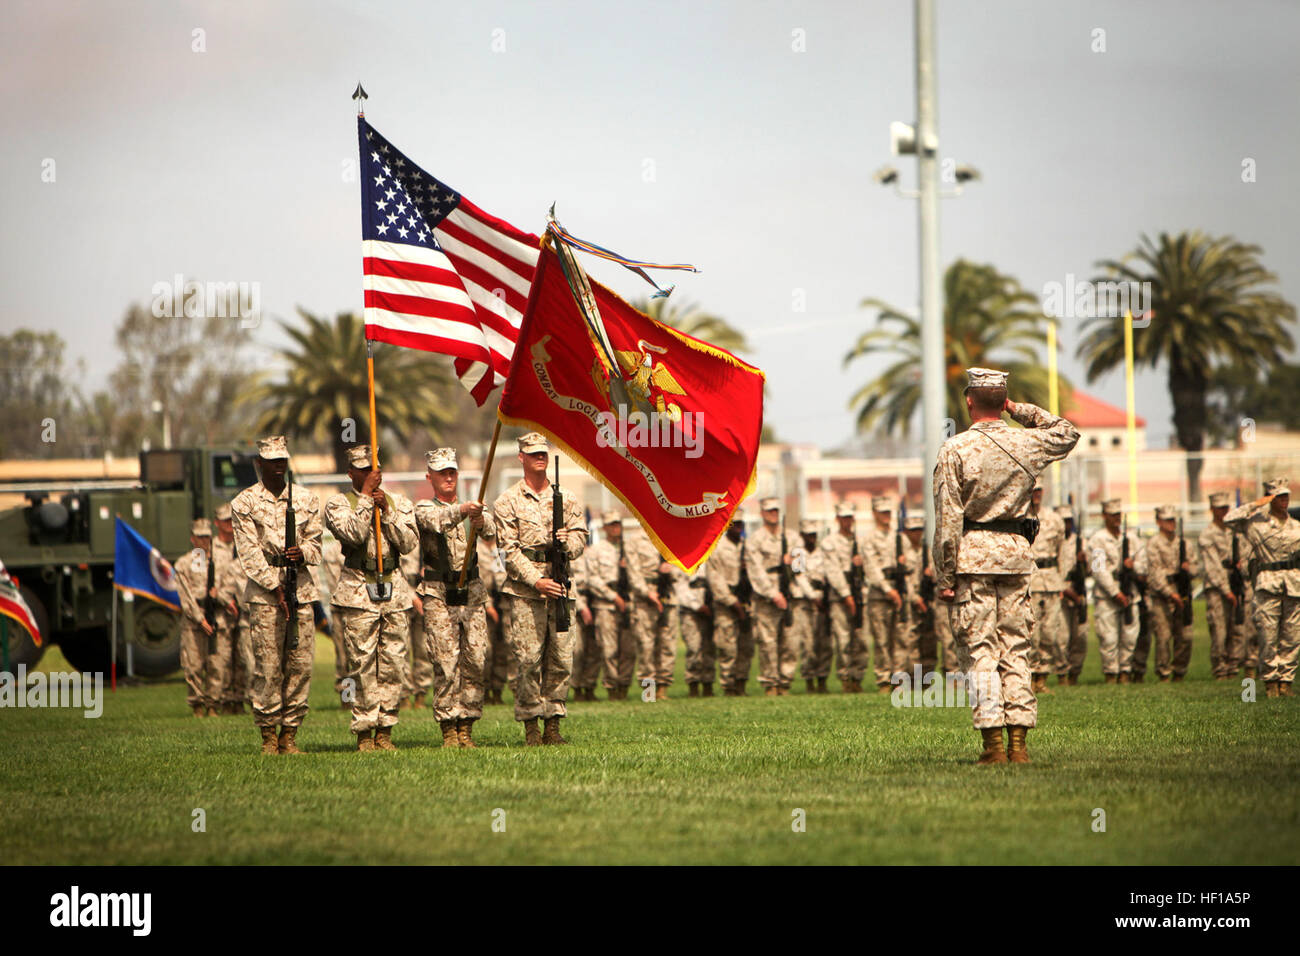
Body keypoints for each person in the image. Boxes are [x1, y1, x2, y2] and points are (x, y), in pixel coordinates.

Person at [933, 368, 1080, 764]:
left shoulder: (954, 450)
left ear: (968, 401)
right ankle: (1019, 746)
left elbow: (948, 519)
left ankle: (993, 747)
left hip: (972, 555)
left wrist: (945, 576)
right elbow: (1067, 432)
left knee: (980, 649)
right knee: (1016, 647)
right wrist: (1021, 411)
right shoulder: (1027, 442)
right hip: (1016, 554)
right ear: (1003, 402)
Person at [492, 432, 588, 744]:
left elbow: (581, 539)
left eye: (543, 452)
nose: (539, 457)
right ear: (521, 457)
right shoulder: (507, 502)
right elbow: (508, 551)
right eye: (533, 453)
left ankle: (554, 725)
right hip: (526, 592)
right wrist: (536, 580)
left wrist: (568, 543)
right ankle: (531, 725)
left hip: (560, 587)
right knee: (528, 660)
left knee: (560, 659)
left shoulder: (568, 498)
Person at [230, 436, 323, 755]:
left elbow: (317, 546)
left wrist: (303, 552)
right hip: (265, 595)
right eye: (272, 461)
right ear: (259, 464)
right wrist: (275, 587)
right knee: (268, 667)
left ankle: (291, 735)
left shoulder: (307, 499)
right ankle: (269, 736)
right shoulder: (244, 503)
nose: (279, 465)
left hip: (302, 590)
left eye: (283, 459)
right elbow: (249, 553)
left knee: (299, 666)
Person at [325, 445, 418, 752]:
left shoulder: (399, 503)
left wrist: (387, 513)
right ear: (352, 472)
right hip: (358, 591)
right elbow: (352, 534)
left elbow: (407, 543)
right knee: (362, 664)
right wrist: (365, 499)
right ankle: (365, 731)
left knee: (392, 664)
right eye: (363, 470)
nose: (370, 475)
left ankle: (386, 730)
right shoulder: (339, 504)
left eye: (373, 469)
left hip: (394, 591)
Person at [415, 447, 493, 747]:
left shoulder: (471, 508)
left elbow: (492, 531)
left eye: (452, 472)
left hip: (471, 594)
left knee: (474, 660)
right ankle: (449, 727)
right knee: (446, 662)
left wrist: (481, 521)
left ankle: (467, 726)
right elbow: (434, 521)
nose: (448, 477)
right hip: (438, 594)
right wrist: (463, 512)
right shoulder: (425, 507)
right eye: (442, 473)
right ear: (430, 477)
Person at [1225, 478, 1300, 698]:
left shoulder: (1296, 525)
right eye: (1278, 497)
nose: (1284, 500)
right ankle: (1270, 682)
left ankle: (1286, 682)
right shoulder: (1256, 524)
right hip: (1268, 584)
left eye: (1286, 495)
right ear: (1270, 499)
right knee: (1268, 636)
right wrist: (1256, 504)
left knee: (1292, 636)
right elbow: (1229, 519)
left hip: (1294, 584)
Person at [174, 519, 240, 717]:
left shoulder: (221, 561)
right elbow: (185, 595)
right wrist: (199, 619)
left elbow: (230, 585)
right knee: (193, 664)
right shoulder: (185, 563)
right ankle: (197, 705)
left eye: (207, 537)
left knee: (217, 664)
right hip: (195, 619)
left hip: (217, 616)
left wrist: (219, 596)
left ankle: (213, 703)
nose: (204, 541)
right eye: (199, 537)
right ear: (192, 539)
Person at [744, 497, 800, 696]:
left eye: (776, 510)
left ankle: (785, 683)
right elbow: (756, 571)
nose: (773, 514)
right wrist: (773, 593)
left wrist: (791, 563)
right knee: (768, 644)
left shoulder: (792, 537)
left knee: (790, 643)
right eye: (769, 511)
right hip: (766, 598)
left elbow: (801, 566)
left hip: (790, 594)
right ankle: (770, 684)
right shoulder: (755, 540)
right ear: (762, 514)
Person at [1089, 499, 1143, 684]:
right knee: (1109, 637)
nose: (1116, 519)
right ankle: (1111, 673)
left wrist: (1133, 566)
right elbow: (1098, 569)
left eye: (1118, 515)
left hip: (1130, 592)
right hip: (1107, 595)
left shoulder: (1132, 539)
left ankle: (1126, 671)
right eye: (1112, 515)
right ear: (1105, 516)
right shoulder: (1098, 539)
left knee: (1129, 636)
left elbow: (1144, 566)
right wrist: (1114, 592)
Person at [584, 513, 635, 701]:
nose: (616, 528)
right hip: (606, 605)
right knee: (609, 649)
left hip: (628, 603)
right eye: (611, 525)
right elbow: (592, 579)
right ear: (604, 528)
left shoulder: (628, 549)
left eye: (618, 524)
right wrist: (613, 596)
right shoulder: (596, 550)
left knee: (629, 650)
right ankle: (612, 688)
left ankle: (625, 686)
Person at [819, 503, 869, 692]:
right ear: (838, 519)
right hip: (840, 597)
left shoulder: (861, 542)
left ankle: (858, 677)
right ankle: (845, 677)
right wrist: (846, 595)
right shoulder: (829, 542)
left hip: (860, 595)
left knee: (862, 639)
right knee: (843, 639)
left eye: (850, 517)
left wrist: (861, 564)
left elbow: (870, 568)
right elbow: (833, 571)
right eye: (843, 518)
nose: (847, 521)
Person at [1144, 504, 1195, 682]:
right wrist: (1169, 593)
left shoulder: (1185, 544)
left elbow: (1196, 567)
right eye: (1167, 520)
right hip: (1162, 596)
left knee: (1186, 636)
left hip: (1183, 592)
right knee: (1164, 637)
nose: (1171, 523)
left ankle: (1179, 671)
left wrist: (1189, 569)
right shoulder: (1153, 544)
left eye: (1173, 520)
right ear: (1158, 522)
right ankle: (1164, 673)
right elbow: (1155, 573)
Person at [1027, 482, 1068, 694]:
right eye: (1033, 491)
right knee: (1031, 633)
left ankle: (1042, 678)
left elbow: (1063, 552)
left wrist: (1062, 579)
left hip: (1051, 579)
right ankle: (1029, 678)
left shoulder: (1054, 520)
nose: (1036, 495)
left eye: (1039, 491)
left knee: (1050, 631)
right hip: (1030, 580)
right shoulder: (1020, 518)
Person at [1200, 492, 1246, 681]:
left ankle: (1233, 668)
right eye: (1219, 508)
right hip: (1217, 589)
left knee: (1237, 628)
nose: (1223, 511)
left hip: (1236, 583)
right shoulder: (1207, 534)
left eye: (1226, 508)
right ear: (1212, 509)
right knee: (1219, 630)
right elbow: (1212, 566)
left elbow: (1244, 553)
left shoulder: (1235, 532)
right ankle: (1220, 669)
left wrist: (1241, 565)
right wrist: (1226, 590)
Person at [706, 511, 753, 696]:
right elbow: (715, 579)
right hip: (726, 603)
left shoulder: (748, 547)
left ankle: (741, 684)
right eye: (736, 524)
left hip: (746, 601)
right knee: (727, 646)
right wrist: (733, 603)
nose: (739, 528)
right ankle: (728, 686)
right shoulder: (716, 548)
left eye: (742, 524)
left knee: (746, 647)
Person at [862, 496, 904, 693]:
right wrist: (889, 590)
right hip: (880, 595)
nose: (886, 516)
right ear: (875, 514)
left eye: (889, 512)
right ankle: (883, 680)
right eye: (882, 512)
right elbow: (872, 568)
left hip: (899, 590)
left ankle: (898, 678)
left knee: (899, 639)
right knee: (881, 639)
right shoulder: (869, 538)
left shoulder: (898, 536)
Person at [213, 502, 251, 714]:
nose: (229, 525)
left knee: (244, 659)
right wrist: (219, 598)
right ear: (217, 523)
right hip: (222, 611)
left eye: (232, 521)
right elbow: (200, 576)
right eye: (226, 521)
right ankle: (222, 700)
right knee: (223, 659)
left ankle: (239, 698)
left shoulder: (242, 545)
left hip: (244, 610)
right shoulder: (206, 548)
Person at [797, 518, 832, 694]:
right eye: (808, 535)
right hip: (806, 603)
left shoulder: (823, 552)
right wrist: (812, 596)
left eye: (814, 535)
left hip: (823, 600)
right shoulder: (797, 553)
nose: (811, 538)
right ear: (802, 535)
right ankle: (809, 680)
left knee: (824, 643)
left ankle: (823, 679)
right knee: (808, 644)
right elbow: (799, 577)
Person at [1056, 503, 1087, 685]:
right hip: (1060, 592)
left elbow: (1097, 568)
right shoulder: (1053, 543)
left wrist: (1085, 561)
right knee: (1061, 637)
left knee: (1080, 636)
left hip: (1079, 592)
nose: (1066, 525)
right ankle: (1061, 674)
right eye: (1063, 521)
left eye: (1069, 521)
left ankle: (1075, 673)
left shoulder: (1082, 542)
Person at [400, 544, 433, 710]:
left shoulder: (426, 534)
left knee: (423, 649)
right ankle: (404, 696)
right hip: (402, 594)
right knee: (402, 648)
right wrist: (412, 596)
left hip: (425, 595)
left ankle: (421, 695)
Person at [477, 537, 509, 704]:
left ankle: (497, 690)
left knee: (502, 650)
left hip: (502, 603)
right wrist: (488, 606)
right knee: (486, 651)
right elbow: (477, 582)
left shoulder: (500, 550)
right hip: (482, 604)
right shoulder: (476, 549)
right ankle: (484, 690)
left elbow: (501, 577)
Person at [679, 562, 716, 696]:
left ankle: (708, 685)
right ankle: (693, 685)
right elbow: (680, 586)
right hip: (690, 610)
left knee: (709, 648)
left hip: (711, 607)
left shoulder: (713, 555)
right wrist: (696, 605)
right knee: (693, 648)